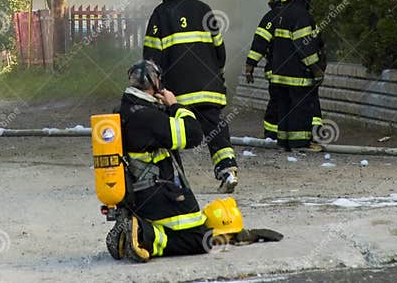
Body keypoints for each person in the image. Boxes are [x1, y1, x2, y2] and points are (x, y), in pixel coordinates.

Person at [106, 60, 283, 262]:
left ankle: (135, 229)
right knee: (200, 239)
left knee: (196, 229)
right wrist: (175, 105)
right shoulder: (147, 117)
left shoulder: (122, 110)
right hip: (158, 194)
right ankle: (146, 236)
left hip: (135, 195)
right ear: (155, 82)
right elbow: (193, 134)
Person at [143, 0, 238, 192]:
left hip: (178, 94)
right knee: (216, 130)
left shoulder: (159, 16)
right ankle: (227, 171)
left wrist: (155, 89)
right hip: (209, 89)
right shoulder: (204, 9)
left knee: (170, 133)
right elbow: (220, 51)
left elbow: (152, 59)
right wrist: (216, 75)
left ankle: (176, 180)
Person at [270, 0, 325, 152]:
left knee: (285, 107)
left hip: (280, 74)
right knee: (300, 108)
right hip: (298, 74)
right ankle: (300, 144)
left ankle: (284, 143)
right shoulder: (301, 15)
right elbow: (304, 45)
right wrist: (316, 69)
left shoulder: (280, 14)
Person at [245, 0, 283, 140]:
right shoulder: (300, 15)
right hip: (298, 72)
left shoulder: (270, 18)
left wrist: (250, 65)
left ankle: (272, 135)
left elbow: (259, 43)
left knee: (276, 103)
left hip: (276, 71)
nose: (270, 1)